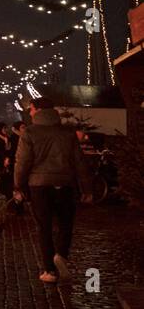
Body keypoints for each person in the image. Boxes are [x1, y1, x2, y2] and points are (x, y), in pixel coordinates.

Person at [15, 99, 92, 284]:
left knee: (44, 227)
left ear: (39, 110)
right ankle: (61, 255)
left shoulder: (30, 133)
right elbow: (79, 161)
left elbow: (23, 162)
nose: (30, 112)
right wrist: (86, 188)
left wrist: (19, 186)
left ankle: (49, 270)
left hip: (39, 185)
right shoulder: (67, 133)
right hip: (65, 183)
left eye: (31, 109)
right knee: (66, 224)